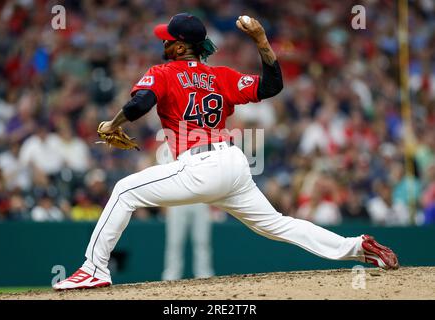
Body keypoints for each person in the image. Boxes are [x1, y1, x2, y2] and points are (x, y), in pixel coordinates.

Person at [54, 13, 399, 290]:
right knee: (278, 224)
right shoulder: (220, 75)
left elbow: (141, 101)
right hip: (234, 163)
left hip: (200, 164)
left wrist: (114, 123)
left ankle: (94, 269)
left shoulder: (163, 71)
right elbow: (272, 85)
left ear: (179, 46)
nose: (164, 43)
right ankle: (357, 246)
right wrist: (263, 42)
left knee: (123, 191)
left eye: (168, 39)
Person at [162, 203, 215, 281]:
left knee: (202, 242)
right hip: (177, 199)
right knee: (175, 242)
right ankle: (171, 277)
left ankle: (204, 276)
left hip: (201, 199)